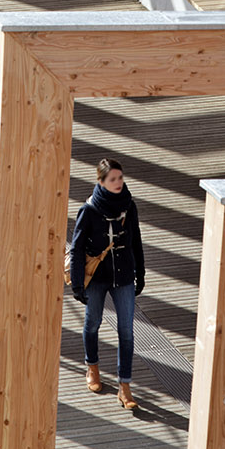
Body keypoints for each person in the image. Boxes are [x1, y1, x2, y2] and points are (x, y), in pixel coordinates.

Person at [68, 157, 145, 411]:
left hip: (123, 276)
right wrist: (78, 284)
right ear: (100, 182)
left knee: (127, 331)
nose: (118, 183)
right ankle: (92, 366)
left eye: (120, 178)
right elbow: (77, 248)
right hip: (98, 278)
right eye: (112, 179)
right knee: (92, 323)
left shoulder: (129, 206)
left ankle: (124, 386)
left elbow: (136, 241)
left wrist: (140, 273)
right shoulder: (89, 210)